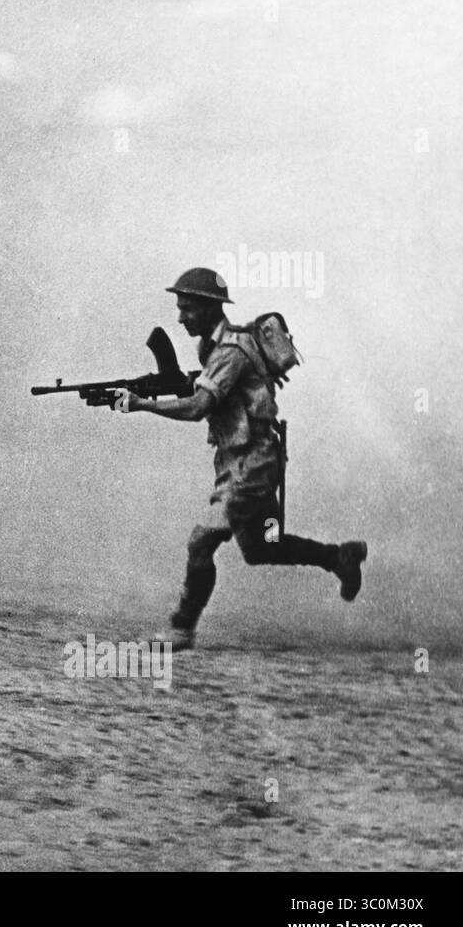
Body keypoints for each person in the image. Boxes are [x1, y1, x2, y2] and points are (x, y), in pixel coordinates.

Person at [116, 267, 367, 650]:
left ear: (209, 307)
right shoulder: (214, 349)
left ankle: (181, 629)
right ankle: (340, 557)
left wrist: (141, 404)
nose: (181, 317)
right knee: (261, 548)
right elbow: (213, 393)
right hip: (244, 460)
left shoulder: (230, 351)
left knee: (201, 542)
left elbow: (198, 407)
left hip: (251, 465)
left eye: (187, 308)